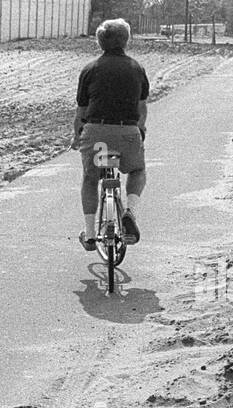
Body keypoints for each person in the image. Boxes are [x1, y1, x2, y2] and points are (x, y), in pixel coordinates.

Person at [72, 18, 149, 250]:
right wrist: (140, 131)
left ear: (99, 43)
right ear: (126, 40)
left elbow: (81, 113)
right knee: (137, 170)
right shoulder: (137, 69)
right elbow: (142, 108)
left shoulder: (90, 69)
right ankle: (129, 212)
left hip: (95, 132)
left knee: (89, 177)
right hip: (127, 130)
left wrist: (76, 136)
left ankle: (89, 234)